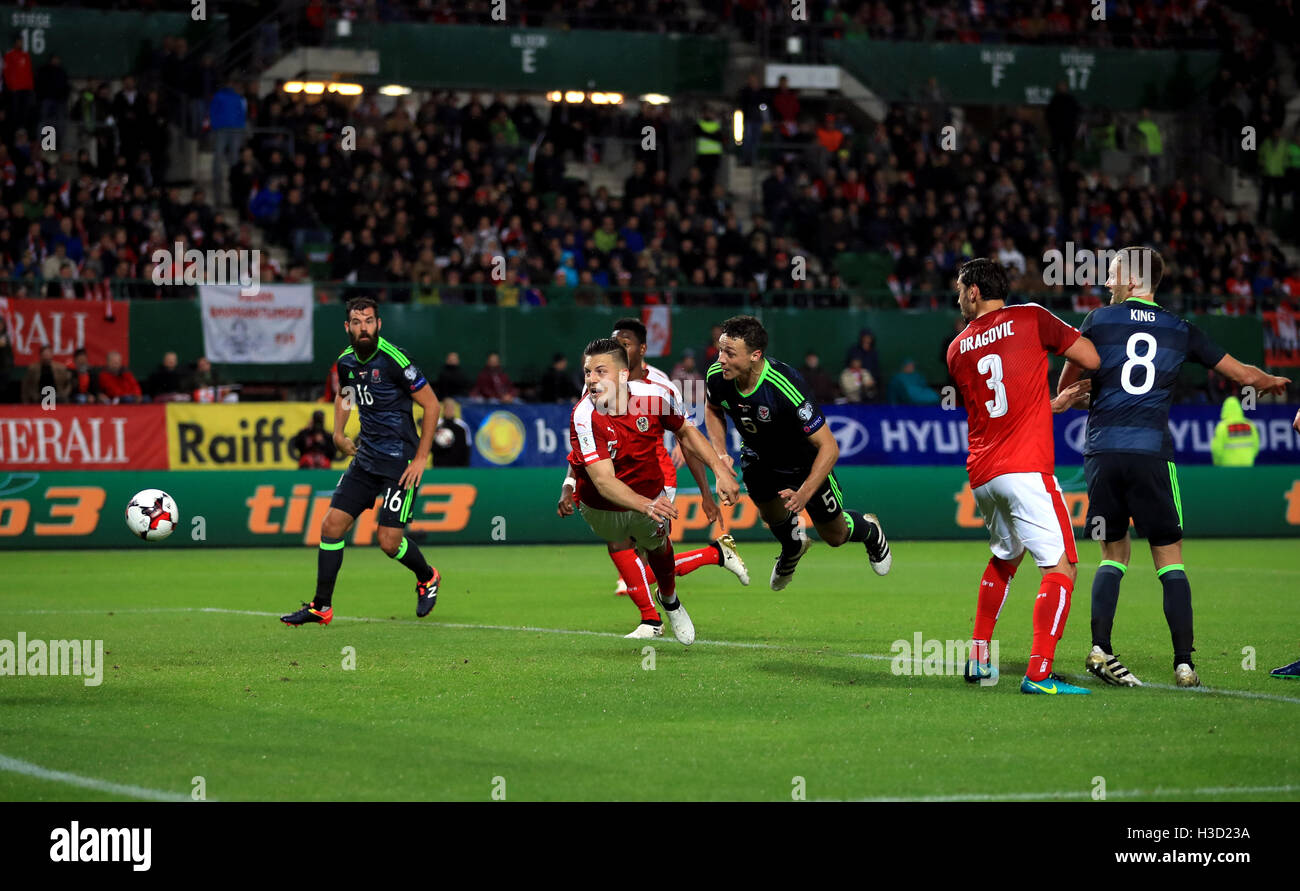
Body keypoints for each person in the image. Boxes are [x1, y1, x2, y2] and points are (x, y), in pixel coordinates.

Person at [1057, 246, 1291, 688]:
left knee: (1113, 555)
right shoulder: (1180, 329)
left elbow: (1067, 383)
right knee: (1169, 560)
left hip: (1103, 452)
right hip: (1151, 455)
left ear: (1132, 278)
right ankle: (1184, 663)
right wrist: (1270, 381)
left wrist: (1089, 394)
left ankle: (1100, 648)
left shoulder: (1098, 321)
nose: (1107, 283)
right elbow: (1242, 375)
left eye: (1112, 275)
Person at [946, 258, 1101, 695]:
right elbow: (1091, 356)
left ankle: (978, 660)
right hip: (1026, 467)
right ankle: (1039, 673)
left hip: (983, 473)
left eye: (959, 288)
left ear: (974, 292)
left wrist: (1047, 406)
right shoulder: (1031, 317)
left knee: (1005, 558)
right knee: (1063, 568)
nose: (958, 296)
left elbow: (996, 409)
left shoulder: (956, 349)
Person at [559, 318, 749, 606]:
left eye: (625, 344)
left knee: (643, 553)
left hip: (656, 479)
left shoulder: (661, 386)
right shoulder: (596, 387)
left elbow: (687, 437)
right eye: (615, 343)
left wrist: (707, 493)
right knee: (635, 555)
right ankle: (710, 559)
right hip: (618, 479)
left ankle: (653, 614)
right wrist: (570, 482)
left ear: (641, 349)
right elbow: (586, 447)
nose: (618, 347)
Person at [281, 297, 443, 626]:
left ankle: (427, 577)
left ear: (379, 324)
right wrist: (339, 434)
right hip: (366, 458)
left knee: (388, 541)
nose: (363, 327)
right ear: (347, 327)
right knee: (331, 526)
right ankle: (321, 607)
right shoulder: (345, 362)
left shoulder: (396, 360)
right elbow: (346, 395)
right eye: (357, 322)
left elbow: (433, 406)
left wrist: (422, 458)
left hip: (401, 462)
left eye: (369, 321)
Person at [704, 315, 892, 592]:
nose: (721, 358)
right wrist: (720, 455)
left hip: (803, 463)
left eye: (730, 353)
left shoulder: (785, 386)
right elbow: (713, 409)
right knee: (772, 515)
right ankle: (793, 547)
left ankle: (870, 530)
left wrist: (804, 493)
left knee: (835, 536)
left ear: (755, 355)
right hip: (758, 457)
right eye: (720, 349)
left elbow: (829, 447)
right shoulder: (717, 376)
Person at [1210, 396, 1260, 466]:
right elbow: (1256, 445)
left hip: (1228, 468)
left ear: (1224, 409)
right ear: (1239, 408)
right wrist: (1249, 458)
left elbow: (1217, 449)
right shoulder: (1250, 425)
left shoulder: (1222, 427)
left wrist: (1217, 463)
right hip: (1247, 465)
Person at [432, 397, 472, 467]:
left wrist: (465, 466)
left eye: (451, 409)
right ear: (443, 410)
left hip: (457, 466)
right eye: (447, 408)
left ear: (454, 410)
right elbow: (430, 445)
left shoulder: (462, 426)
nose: (449, 411)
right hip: (439, 465)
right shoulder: (436, 425)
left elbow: (467, 447)